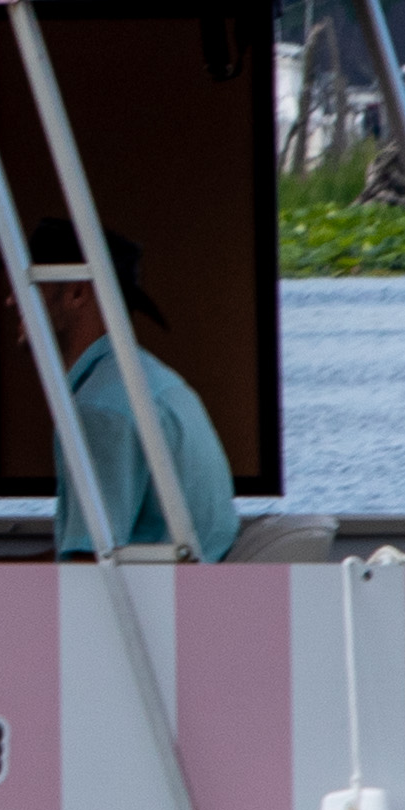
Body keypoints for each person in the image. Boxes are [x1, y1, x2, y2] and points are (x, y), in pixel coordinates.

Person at [28, 219, 237, 562]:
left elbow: (88, 572)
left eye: (29, 285)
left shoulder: (102, 408)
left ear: (77, 293)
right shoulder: (152, 380)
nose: (10, 300)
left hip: (148, 609)